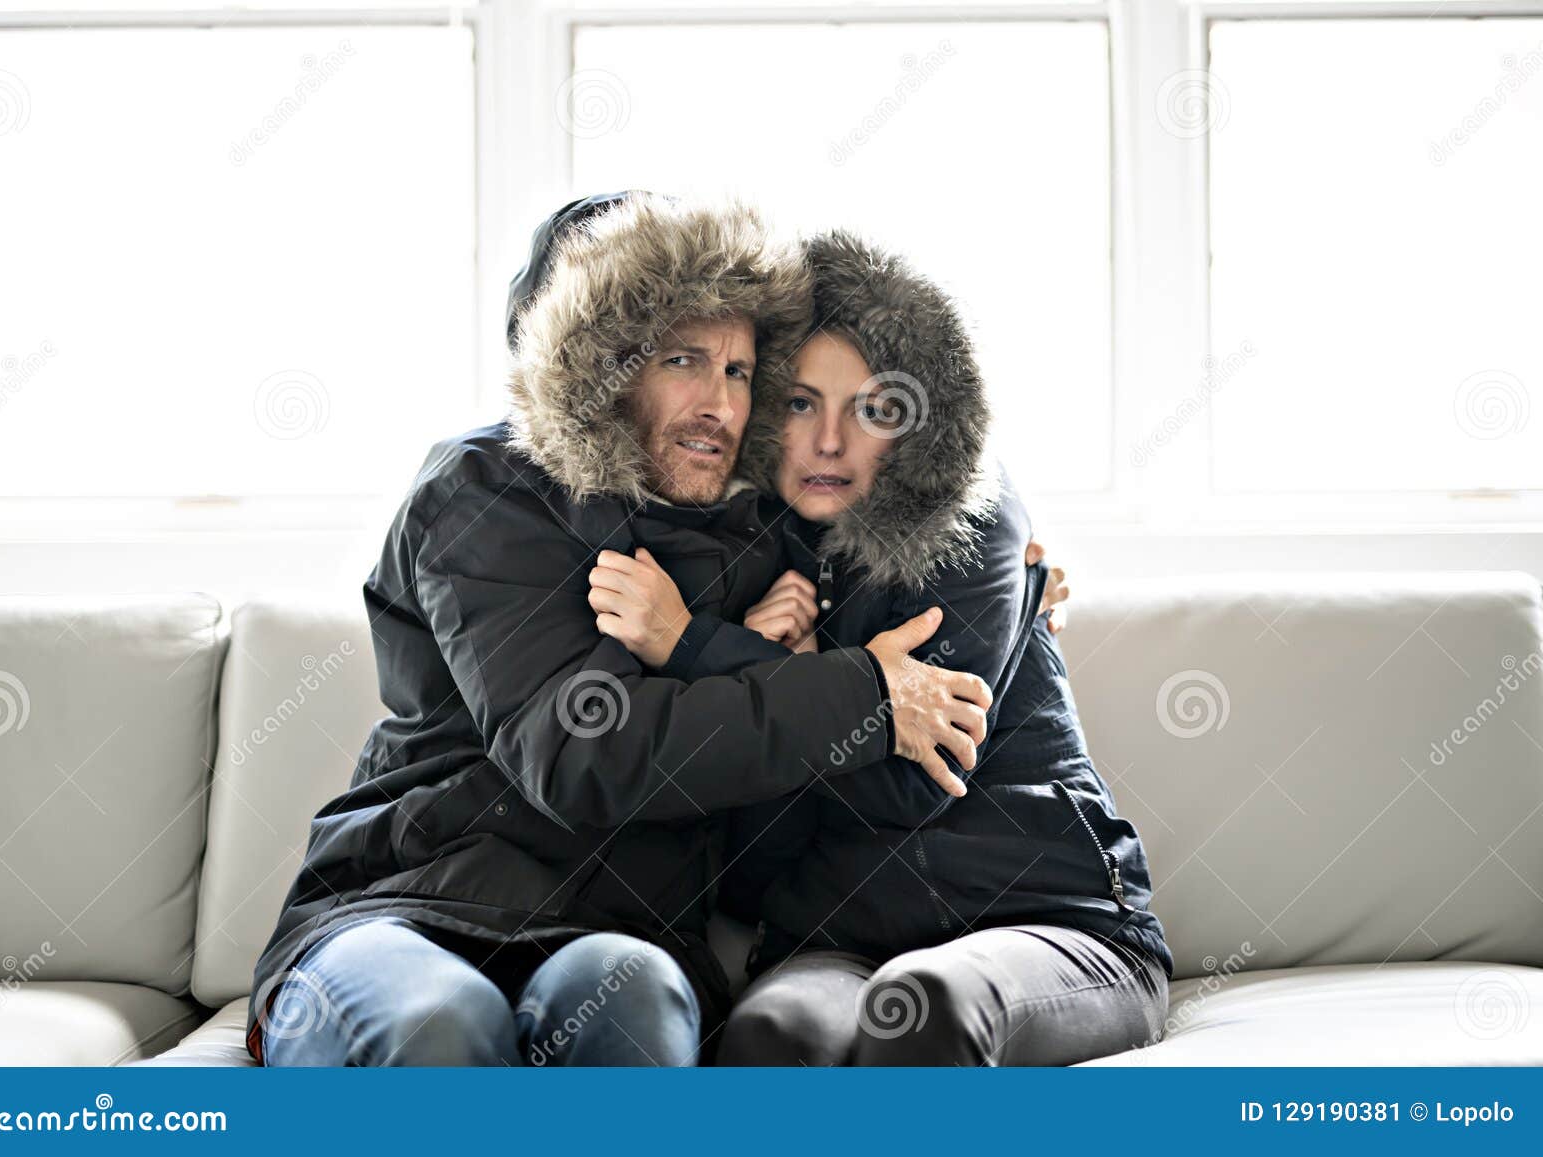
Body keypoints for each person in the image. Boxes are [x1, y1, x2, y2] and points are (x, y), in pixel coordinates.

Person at [243, 193, 999, 1067]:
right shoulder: (485, 491)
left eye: (741, 371)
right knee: (441, 1024)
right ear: (599, 363)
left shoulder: (756, 531)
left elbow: (914, 481)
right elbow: (578, 751)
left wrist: (1014, 572)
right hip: (413, 910)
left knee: (634, 1004)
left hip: (624, 936)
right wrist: (861, 692)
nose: (720, 402)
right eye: (684, 359)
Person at [590, 231, 1174, 1066]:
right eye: (797, 402)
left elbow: (908, 786)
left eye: (873, 409)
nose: (829, 441)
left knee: (929, 1000)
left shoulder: (968, 522)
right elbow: (750, 858)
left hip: (1045, 917)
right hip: (834, 935)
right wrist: (799, 677)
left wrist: (712, 653)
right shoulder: (743, 557)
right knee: (770, 1033)